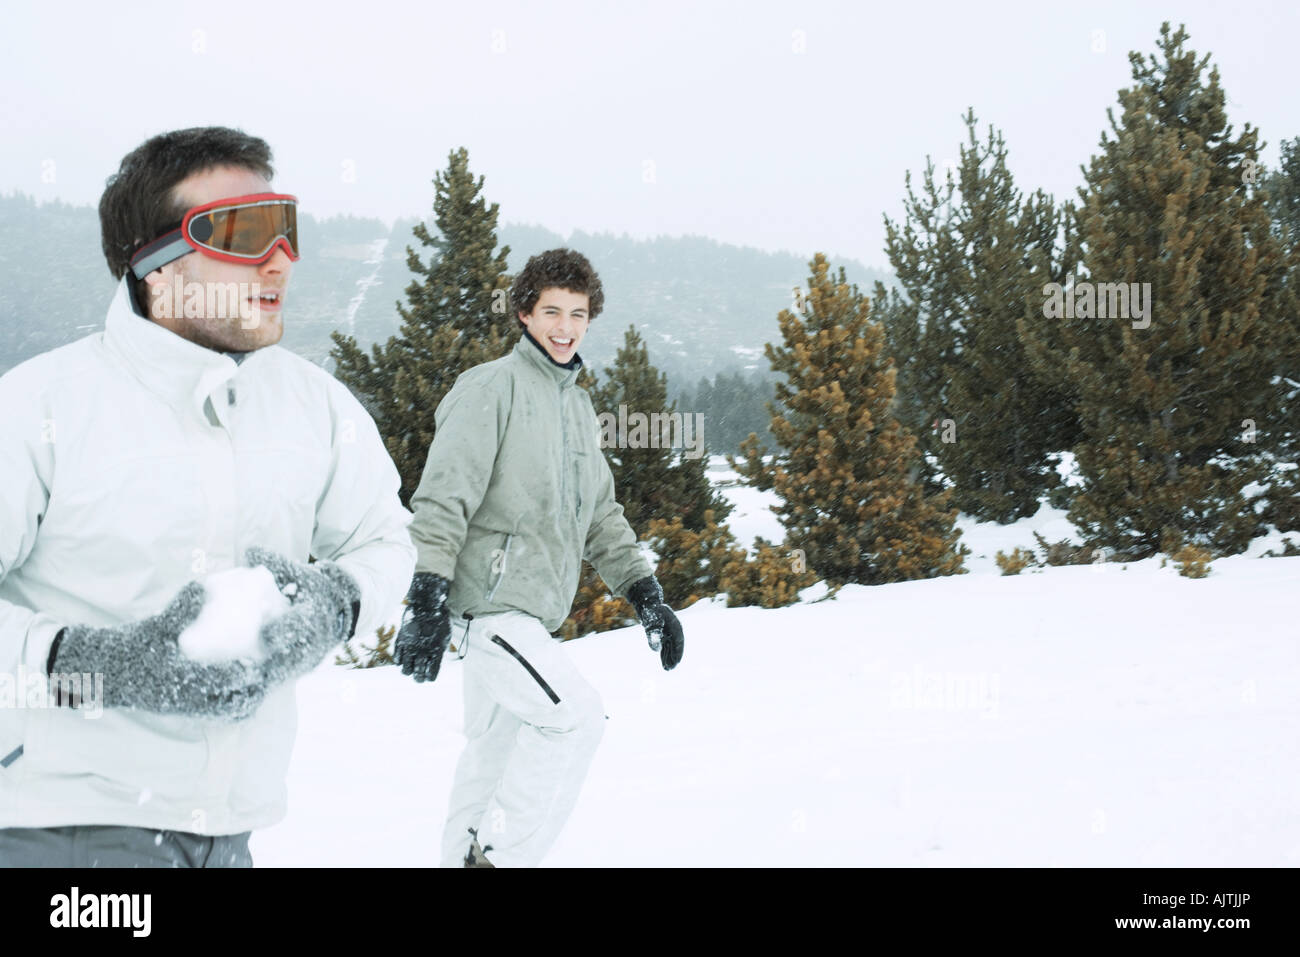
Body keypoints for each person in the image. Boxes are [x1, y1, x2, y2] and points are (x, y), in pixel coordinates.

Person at [0, 126, 416, 867]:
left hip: (231, 832)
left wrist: (338, 603)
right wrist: (97, 660)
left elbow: (384, 541)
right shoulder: (39, 408)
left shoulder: (313, 405)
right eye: (241, 231)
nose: (280, 257)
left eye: (284, 226)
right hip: (64, 826)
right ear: (155, 265)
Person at [396, 248, 686, 868]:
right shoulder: (491, 388)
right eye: (551, 310)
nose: (565, 326)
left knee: (490, 757)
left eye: (577, 314)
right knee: (575, 719)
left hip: (528, 614)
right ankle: (496, 861)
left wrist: (645, 594)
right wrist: (426, 594)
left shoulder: (577, 409)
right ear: (525, 314)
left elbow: (601, 516)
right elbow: (444, 497)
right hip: (490, 610)